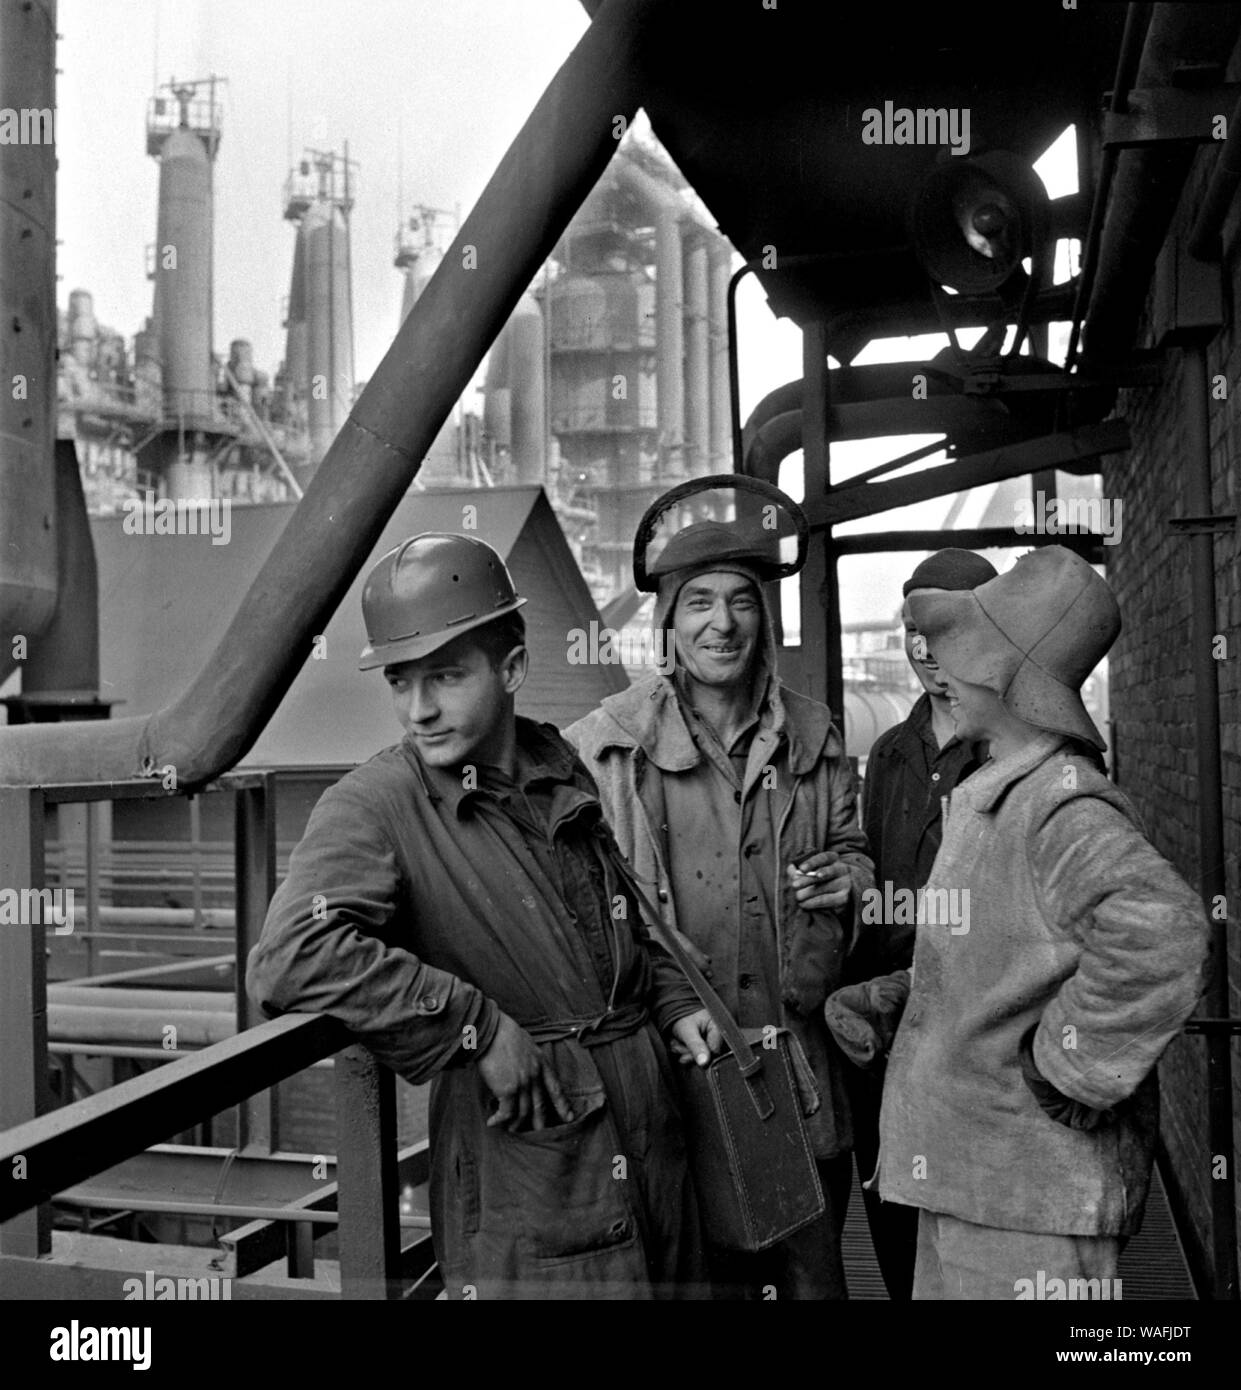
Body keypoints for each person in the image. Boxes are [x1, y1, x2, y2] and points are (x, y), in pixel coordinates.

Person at [247, 533, 724, 1300]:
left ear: (510, 669)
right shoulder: (377, 805)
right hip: (533, 1161)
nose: (418, 709)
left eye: (445, 677)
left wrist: (667, 998)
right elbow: (291, 956)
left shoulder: (554, 762)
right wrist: (476, 1024)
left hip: (654, 1130)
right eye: (400, 682)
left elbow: (613, 909)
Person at [873, 545, 1207, 1299]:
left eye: (960, 652)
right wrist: (897, 996)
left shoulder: (1057, 804)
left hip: (1027, 1197)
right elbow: (1012, 961)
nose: (940, 670)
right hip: (976, 1181)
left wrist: (1068, 1063)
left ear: (1004, 676)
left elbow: (1163, 936)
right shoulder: (1007, 791)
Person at [566, 493, 875, 1300]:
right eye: (697, 603)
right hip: (677, 1080)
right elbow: (581, 908)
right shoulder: (607, 747)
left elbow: (855, 854)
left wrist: (850, 879)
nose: (722, 623)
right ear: (666, 625)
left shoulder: (813, 735)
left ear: (762, 620)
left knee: (811, 1279)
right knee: (694, 1282)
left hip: (797, 1075)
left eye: (741, 601)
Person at [843, 547, 997, 1300]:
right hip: (891, 1035)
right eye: (915, 631)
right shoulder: (890, 752)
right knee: (897, 1223)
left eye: (950, 628)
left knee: (974, 1240)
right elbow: (874, 887)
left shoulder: (1025, 751)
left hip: (981, 1031)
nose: (929, 651)